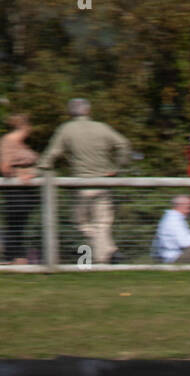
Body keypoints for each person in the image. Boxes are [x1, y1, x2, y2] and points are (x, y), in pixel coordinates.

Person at [36, 97, 131, 264]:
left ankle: (100, 259)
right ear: (88, 110)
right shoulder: (102, 128)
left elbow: (51, 154)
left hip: (81, 185)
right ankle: (108, 255)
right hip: (103, 183)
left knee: (83, 223)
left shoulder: (66, 129)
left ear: (69, 112)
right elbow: (123, 144)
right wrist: (117, 167)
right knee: (101, 223)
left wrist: (38, 170)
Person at [0, 113, 38, 264]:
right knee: (15, 223)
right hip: (16, 190)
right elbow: (4, 167)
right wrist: (18, 176)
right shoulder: (7, 142)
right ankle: (14, 256)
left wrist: (33, 173)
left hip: (28, 191)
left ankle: (20, 256)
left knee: (22, 224)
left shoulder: (23, 144)